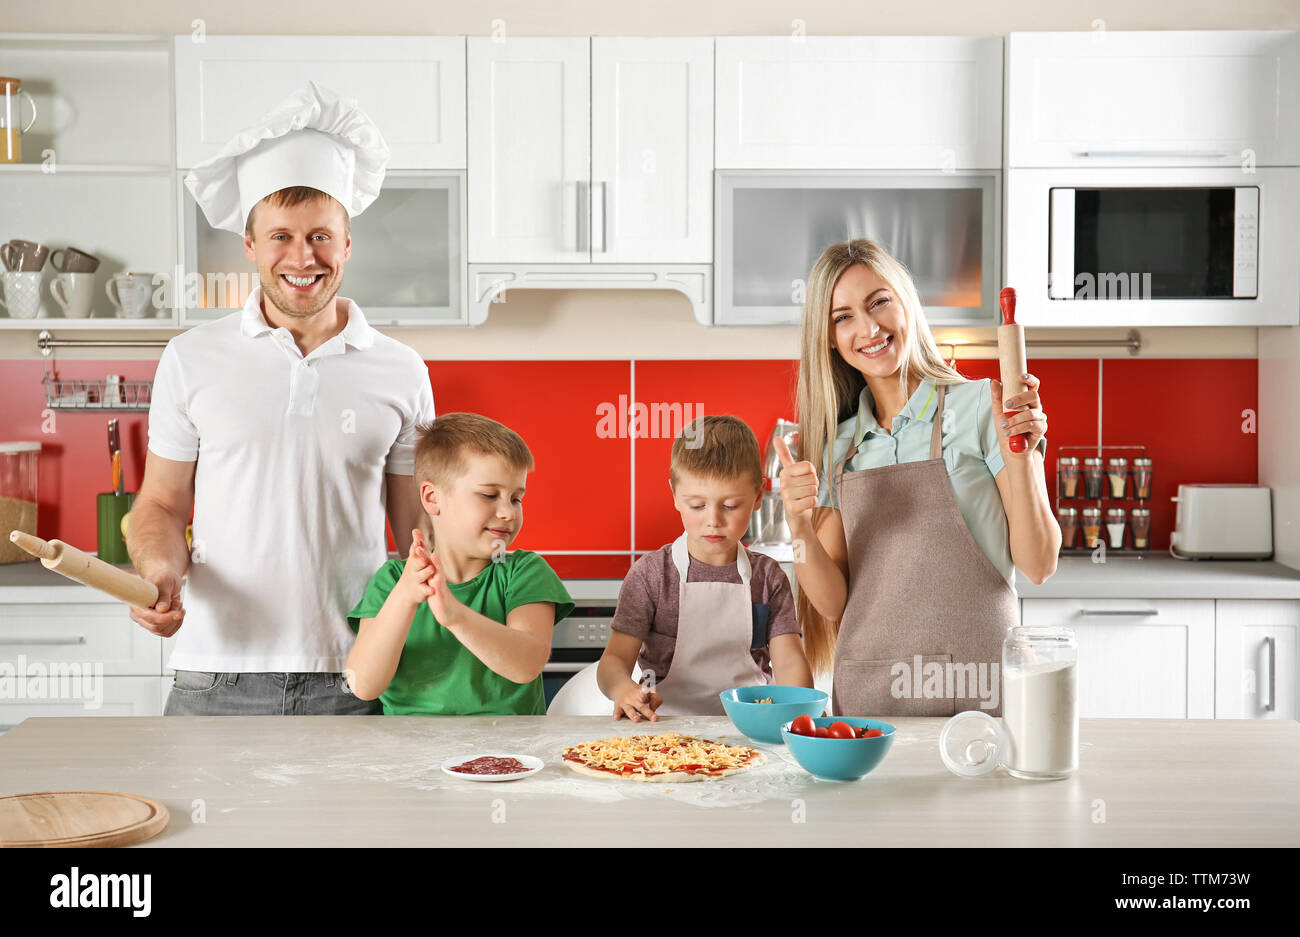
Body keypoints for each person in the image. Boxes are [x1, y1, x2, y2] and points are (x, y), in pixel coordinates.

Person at [127, 82, 436, 715]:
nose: (303, 257)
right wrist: (159, 570)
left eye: (322, 235)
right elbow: (159, 502)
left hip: (357, 672)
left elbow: (415, 532)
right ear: (250, 246)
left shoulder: (401, 370)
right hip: (215, 679)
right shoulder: (192, 357)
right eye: (281, 237)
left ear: (348, 244)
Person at [776, 238, 1059, 718]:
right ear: (828, 337)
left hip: (980, 694)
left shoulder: (981, 408)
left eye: (879, 302)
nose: (868, 328)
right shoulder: (838, 448)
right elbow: (830, 603)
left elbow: (1038, 563)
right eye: (843, 317)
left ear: (906, 302)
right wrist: (798, 527)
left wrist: (1022, 458)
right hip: (871, 701)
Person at [345, 413, 575, 715]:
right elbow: (363, 685)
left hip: (507, 754)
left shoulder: (524, 572)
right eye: (489, 495)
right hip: (409, 755)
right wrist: (405, 596)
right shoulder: (392, 582)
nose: (507, 512)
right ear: (432, 498)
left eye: (516, 498)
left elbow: (526, 664)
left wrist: (454, 615)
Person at [599, 415, 814, 720]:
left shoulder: (768, 577)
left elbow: (790, 661)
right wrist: (622, 688)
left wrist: (802, 712)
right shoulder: (651, 575)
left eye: (730, 506)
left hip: (751, 727)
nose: (713, 520)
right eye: (697, 505)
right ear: (674, 495)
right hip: (666, 731)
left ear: (756, 497)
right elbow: (613, 662)